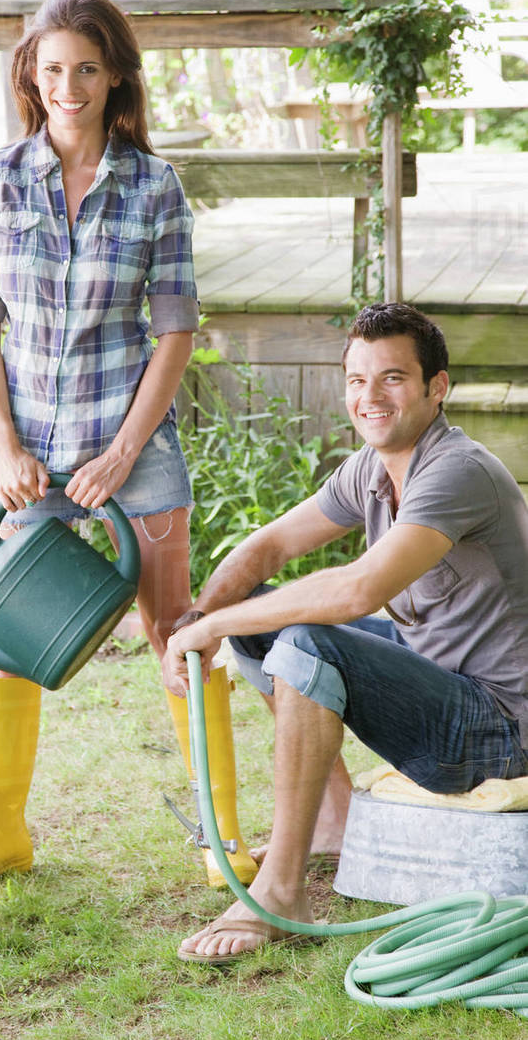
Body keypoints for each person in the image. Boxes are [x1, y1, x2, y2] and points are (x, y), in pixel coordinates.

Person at [0, 0, 256, 895]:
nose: (67, 85)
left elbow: (175, 332)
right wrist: (2, 446)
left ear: (115, 77)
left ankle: (218, 837)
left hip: (133, 446)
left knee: (173, 630)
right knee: (6, 622)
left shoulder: (154, 187)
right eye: (52, 67)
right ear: (30, 73)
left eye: (87, 68)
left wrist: (120, 453)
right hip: (27, 448)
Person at [163, 301, 528, 964]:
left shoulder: (455, 472)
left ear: (434, 388)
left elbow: (359, 589)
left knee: (306, 639)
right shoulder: (373, 467)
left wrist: (214, 623)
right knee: (265, 619)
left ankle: (279, 895)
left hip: (499, 727)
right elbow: (265, 548)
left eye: (391, 378)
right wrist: (200, 621)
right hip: (445, 680)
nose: (370, 397)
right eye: (357, 381)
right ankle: (330, 821)